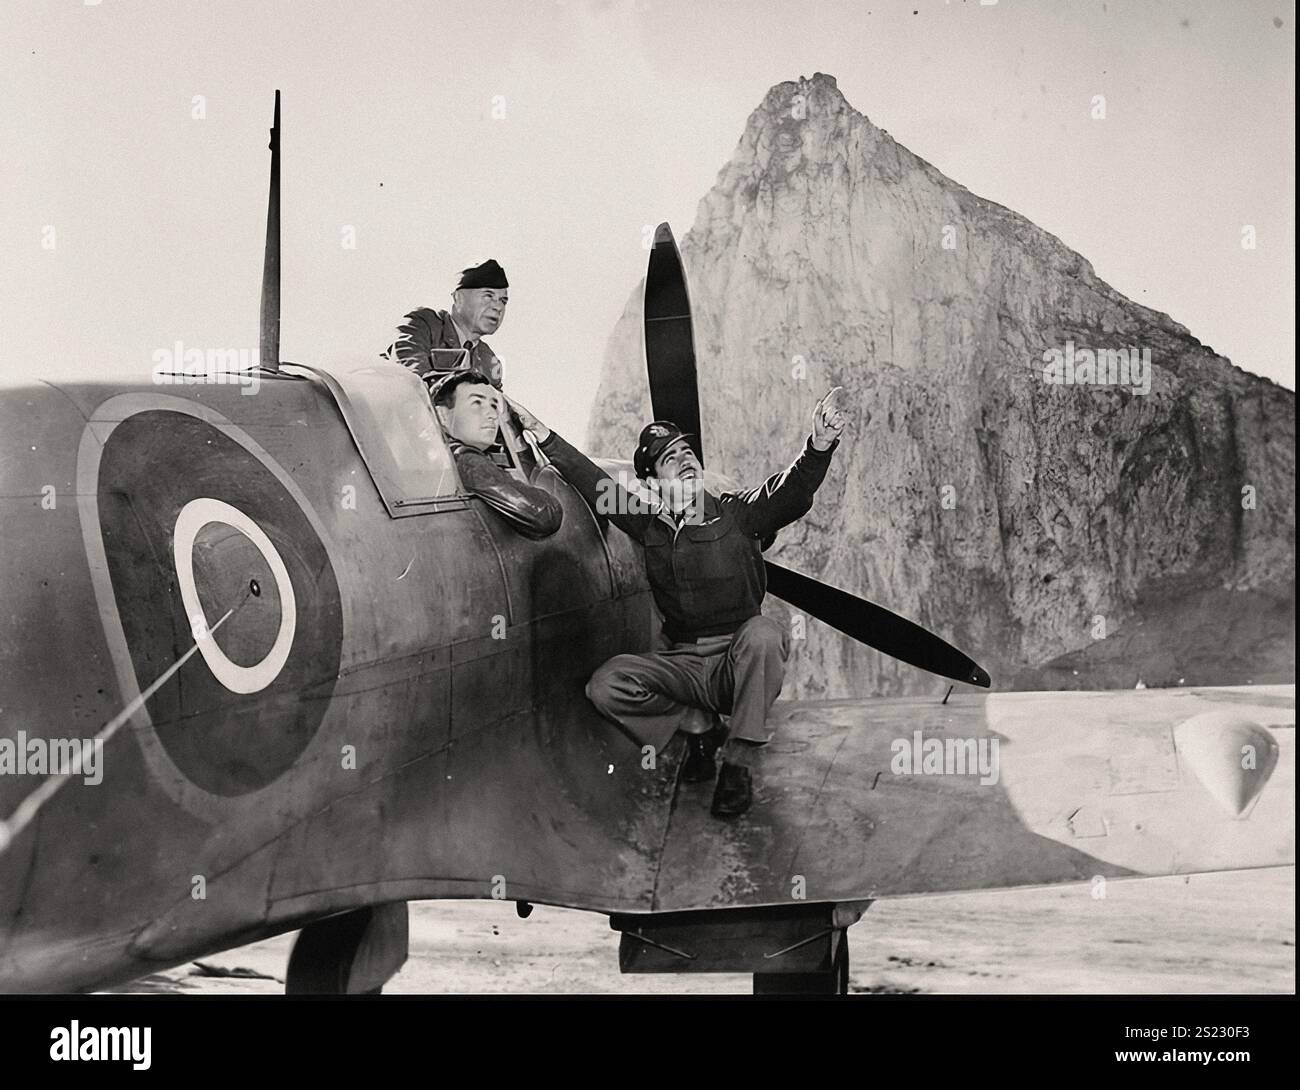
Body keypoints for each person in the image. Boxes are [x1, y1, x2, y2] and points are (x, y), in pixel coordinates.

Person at [508, 388, 848, 817]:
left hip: (737, 663)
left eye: (688, 452)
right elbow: (595, 485)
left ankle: (738, 764)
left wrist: (818, 445)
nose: (685, 459)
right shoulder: (647, 525)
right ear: (652, 483)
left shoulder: (738, 514)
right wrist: (544, 435)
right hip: (686, 665)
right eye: (670, 458)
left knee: (764, 633)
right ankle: (701, 730)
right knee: (607, 685)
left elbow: (790, 494)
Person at [431, 371, 562, 540]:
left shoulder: (437, 457)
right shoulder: (465, 460)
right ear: (442, 415)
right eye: (477, 403)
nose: (492, 415)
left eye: (493, 405)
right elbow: (544, 515)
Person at [389, 259, 509, 388]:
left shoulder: (488, 361)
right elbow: (411, 378)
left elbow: (497, 405)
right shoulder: (423, 325)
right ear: (458, 298)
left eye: (503, 300)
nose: (498, 307)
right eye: (488, 296)